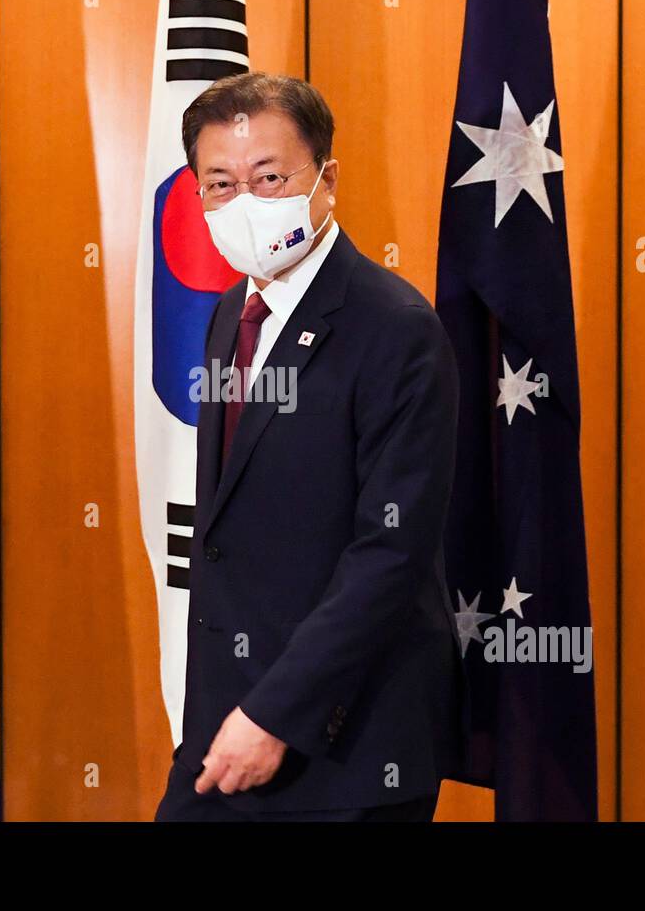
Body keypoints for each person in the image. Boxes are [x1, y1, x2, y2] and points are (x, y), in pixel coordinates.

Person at [154, 72, 465, 821]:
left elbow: (389, 556)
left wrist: (277, 717)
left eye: (269, 177)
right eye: (220, 183)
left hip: (342, 743)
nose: (245, 203)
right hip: (224, 726)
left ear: (326, 178)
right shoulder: (234, 311)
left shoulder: (396, 328)